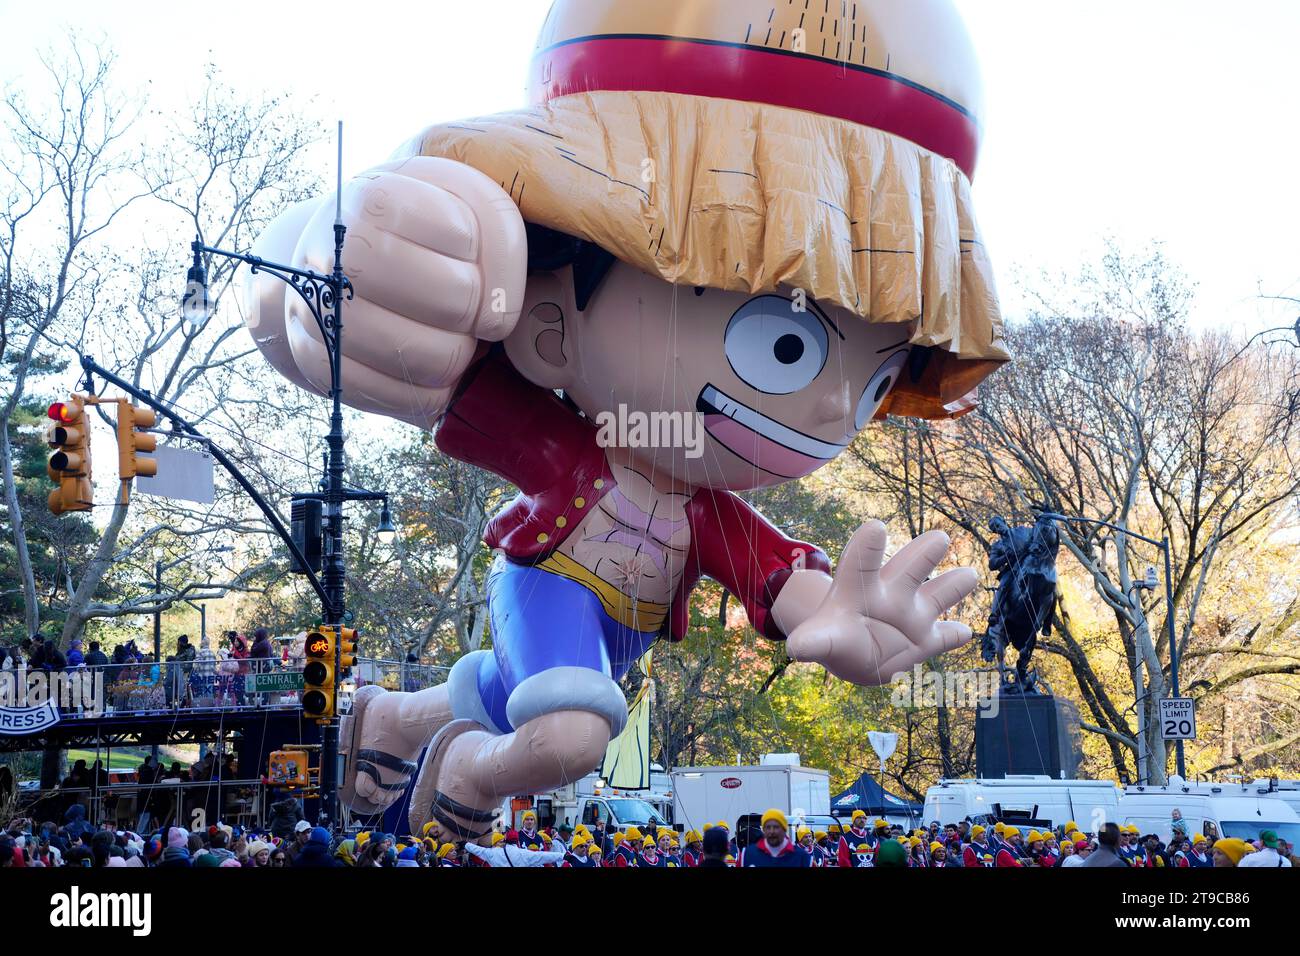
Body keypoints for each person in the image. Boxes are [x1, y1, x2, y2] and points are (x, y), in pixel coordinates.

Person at [740, 809, 810, 868]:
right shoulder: (747, 854)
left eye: (776, 827)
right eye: (768, 827)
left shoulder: (802, 857)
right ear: (763, 830)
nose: (772, 831)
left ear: (784, 829)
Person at [463, 839, 567, 868]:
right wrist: (562, 856)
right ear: (517, 841)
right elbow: (543, 856)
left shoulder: (492, 853)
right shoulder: (523, 853)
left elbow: (478, 850)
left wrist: (466, 844)